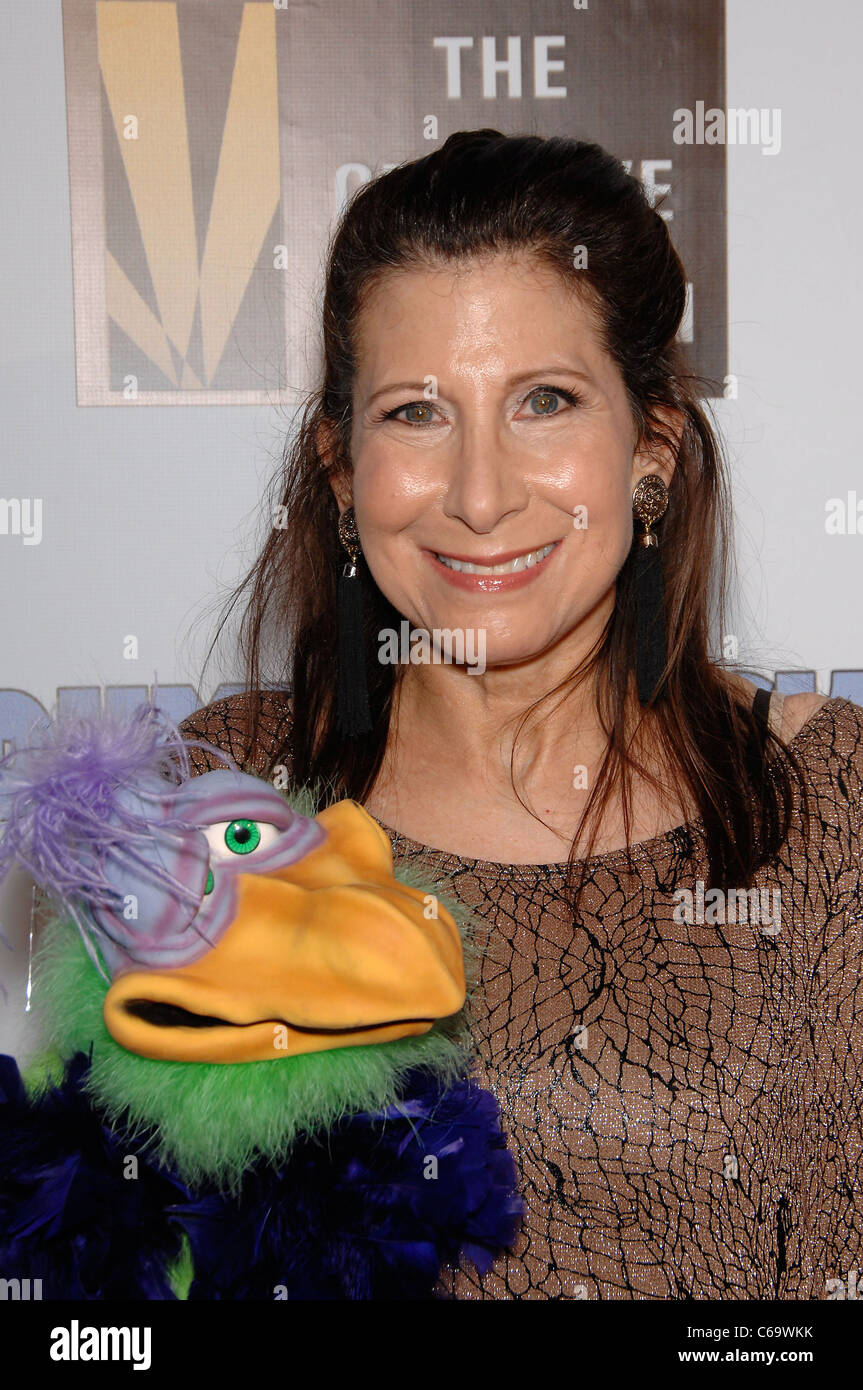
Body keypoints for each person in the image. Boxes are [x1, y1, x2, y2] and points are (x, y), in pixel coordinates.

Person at [178, 130, 863, 1299]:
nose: (481, 494)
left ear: (648, 448)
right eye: (414, 414)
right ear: (341, 471)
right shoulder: (222, 801)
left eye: (542, 401)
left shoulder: (821, 805)